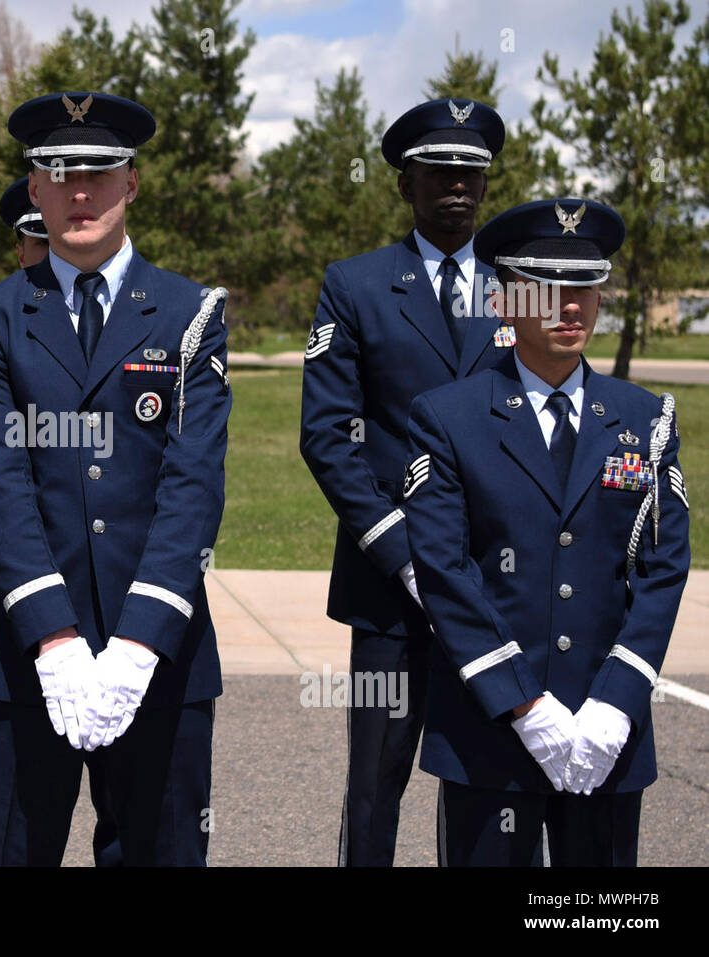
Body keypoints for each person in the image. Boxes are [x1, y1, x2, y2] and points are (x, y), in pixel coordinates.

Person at [0, 91, 231, 866]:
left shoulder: (190, 313)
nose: (81, 192)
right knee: (13, 850)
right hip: (27, 653)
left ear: (132, 184)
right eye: (60, 173)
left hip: (161, 652)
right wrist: (56, 637)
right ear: (33, 189)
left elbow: (193, 484)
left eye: (100, 173)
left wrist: (139, 642)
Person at [404, 198, 689, 866]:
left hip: (604, 734)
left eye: (585, 287)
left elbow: (662, 567)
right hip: (489, 730)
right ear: (504, 302)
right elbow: (445, 570)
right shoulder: (448, 419)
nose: (571, 306)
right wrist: (525, 705)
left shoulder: (644, 420)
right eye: (548, 288)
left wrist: (616, 704)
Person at [299, 98, 510, 866]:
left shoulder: (521, 287)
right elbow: (327, 434)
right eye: (438, 170)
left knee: (488, 781)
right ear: (404, 185)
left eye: (471, 171)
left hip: (497, 581)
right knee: (375, 779)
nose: (456, 184)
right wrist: (402, 550)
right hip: (390, 589)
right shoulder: (355, 286)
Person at [0, 176, 120, 866]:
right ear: (19, 245)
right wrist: (29, 580)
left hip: (123, 616)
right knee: (9, 823)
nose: (47, 250)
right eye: (34, 238)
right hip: (15, 614)